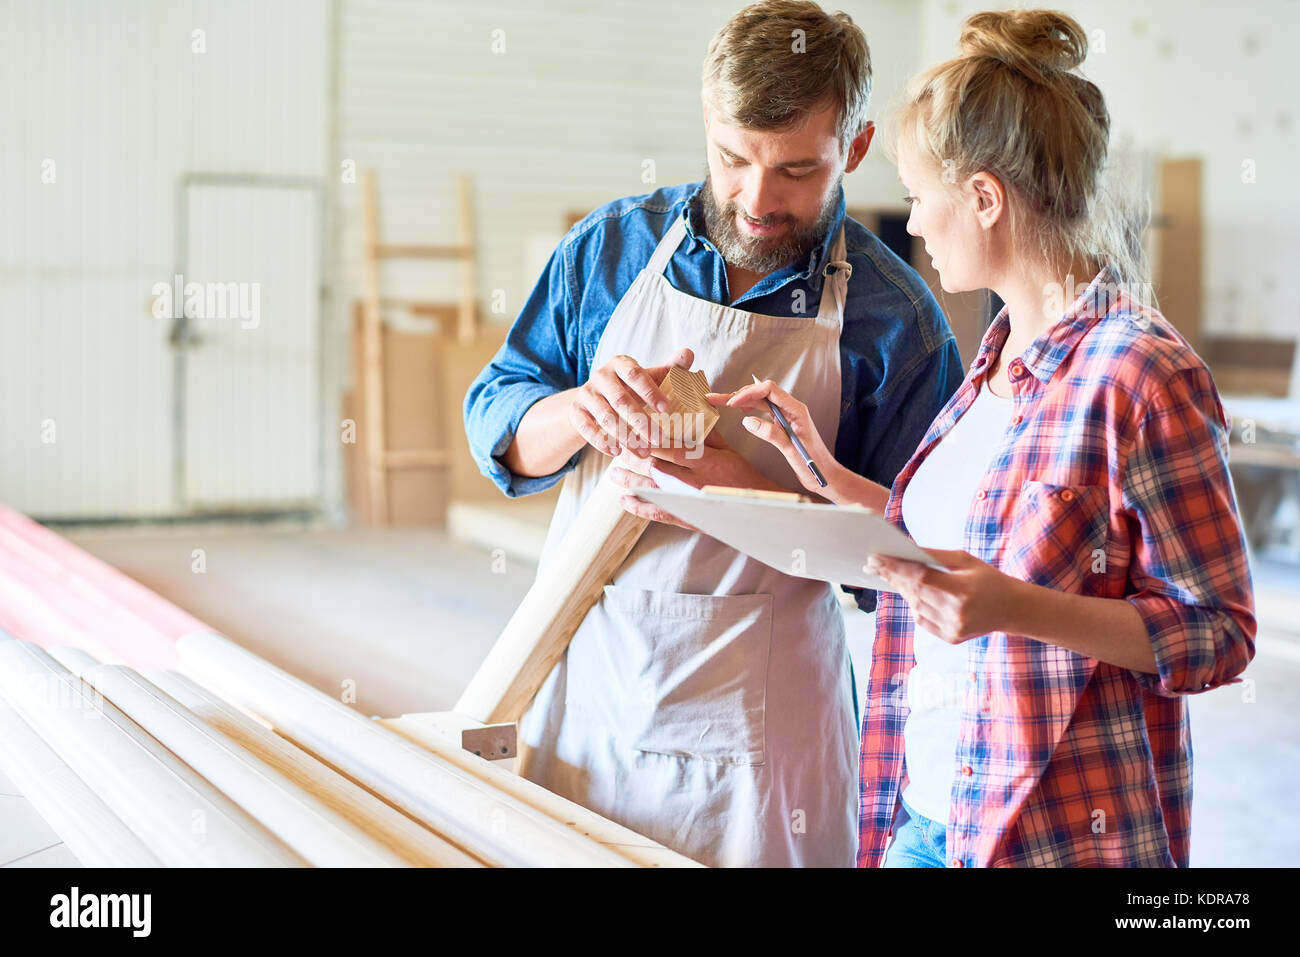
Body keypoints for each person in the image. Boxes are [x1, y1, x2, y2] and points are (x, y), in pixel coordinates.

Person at [718, 8, 1256, 867]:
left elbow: (1219, 633)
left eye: (920, 198)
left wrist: (1016, 608)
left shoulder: (1143, 374)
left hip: (1052, 835)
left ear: (983, 198)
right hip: (928, 812)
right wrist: (826, 475)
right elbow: (967, 547)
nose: (914, 225)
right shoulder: (996, 356)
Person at [463, 0, 963, 867]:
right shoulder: (612, 249)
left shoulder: (896, 321)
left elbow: (918, 567)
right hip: (590, 693)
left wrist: (745, 493)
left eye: (796, 170)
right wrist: (579, 412)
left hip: (765, 742)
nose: (757, 199)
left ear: (854, 147)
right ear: (706, 121)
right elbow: (496, 423)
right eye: (733, 159)